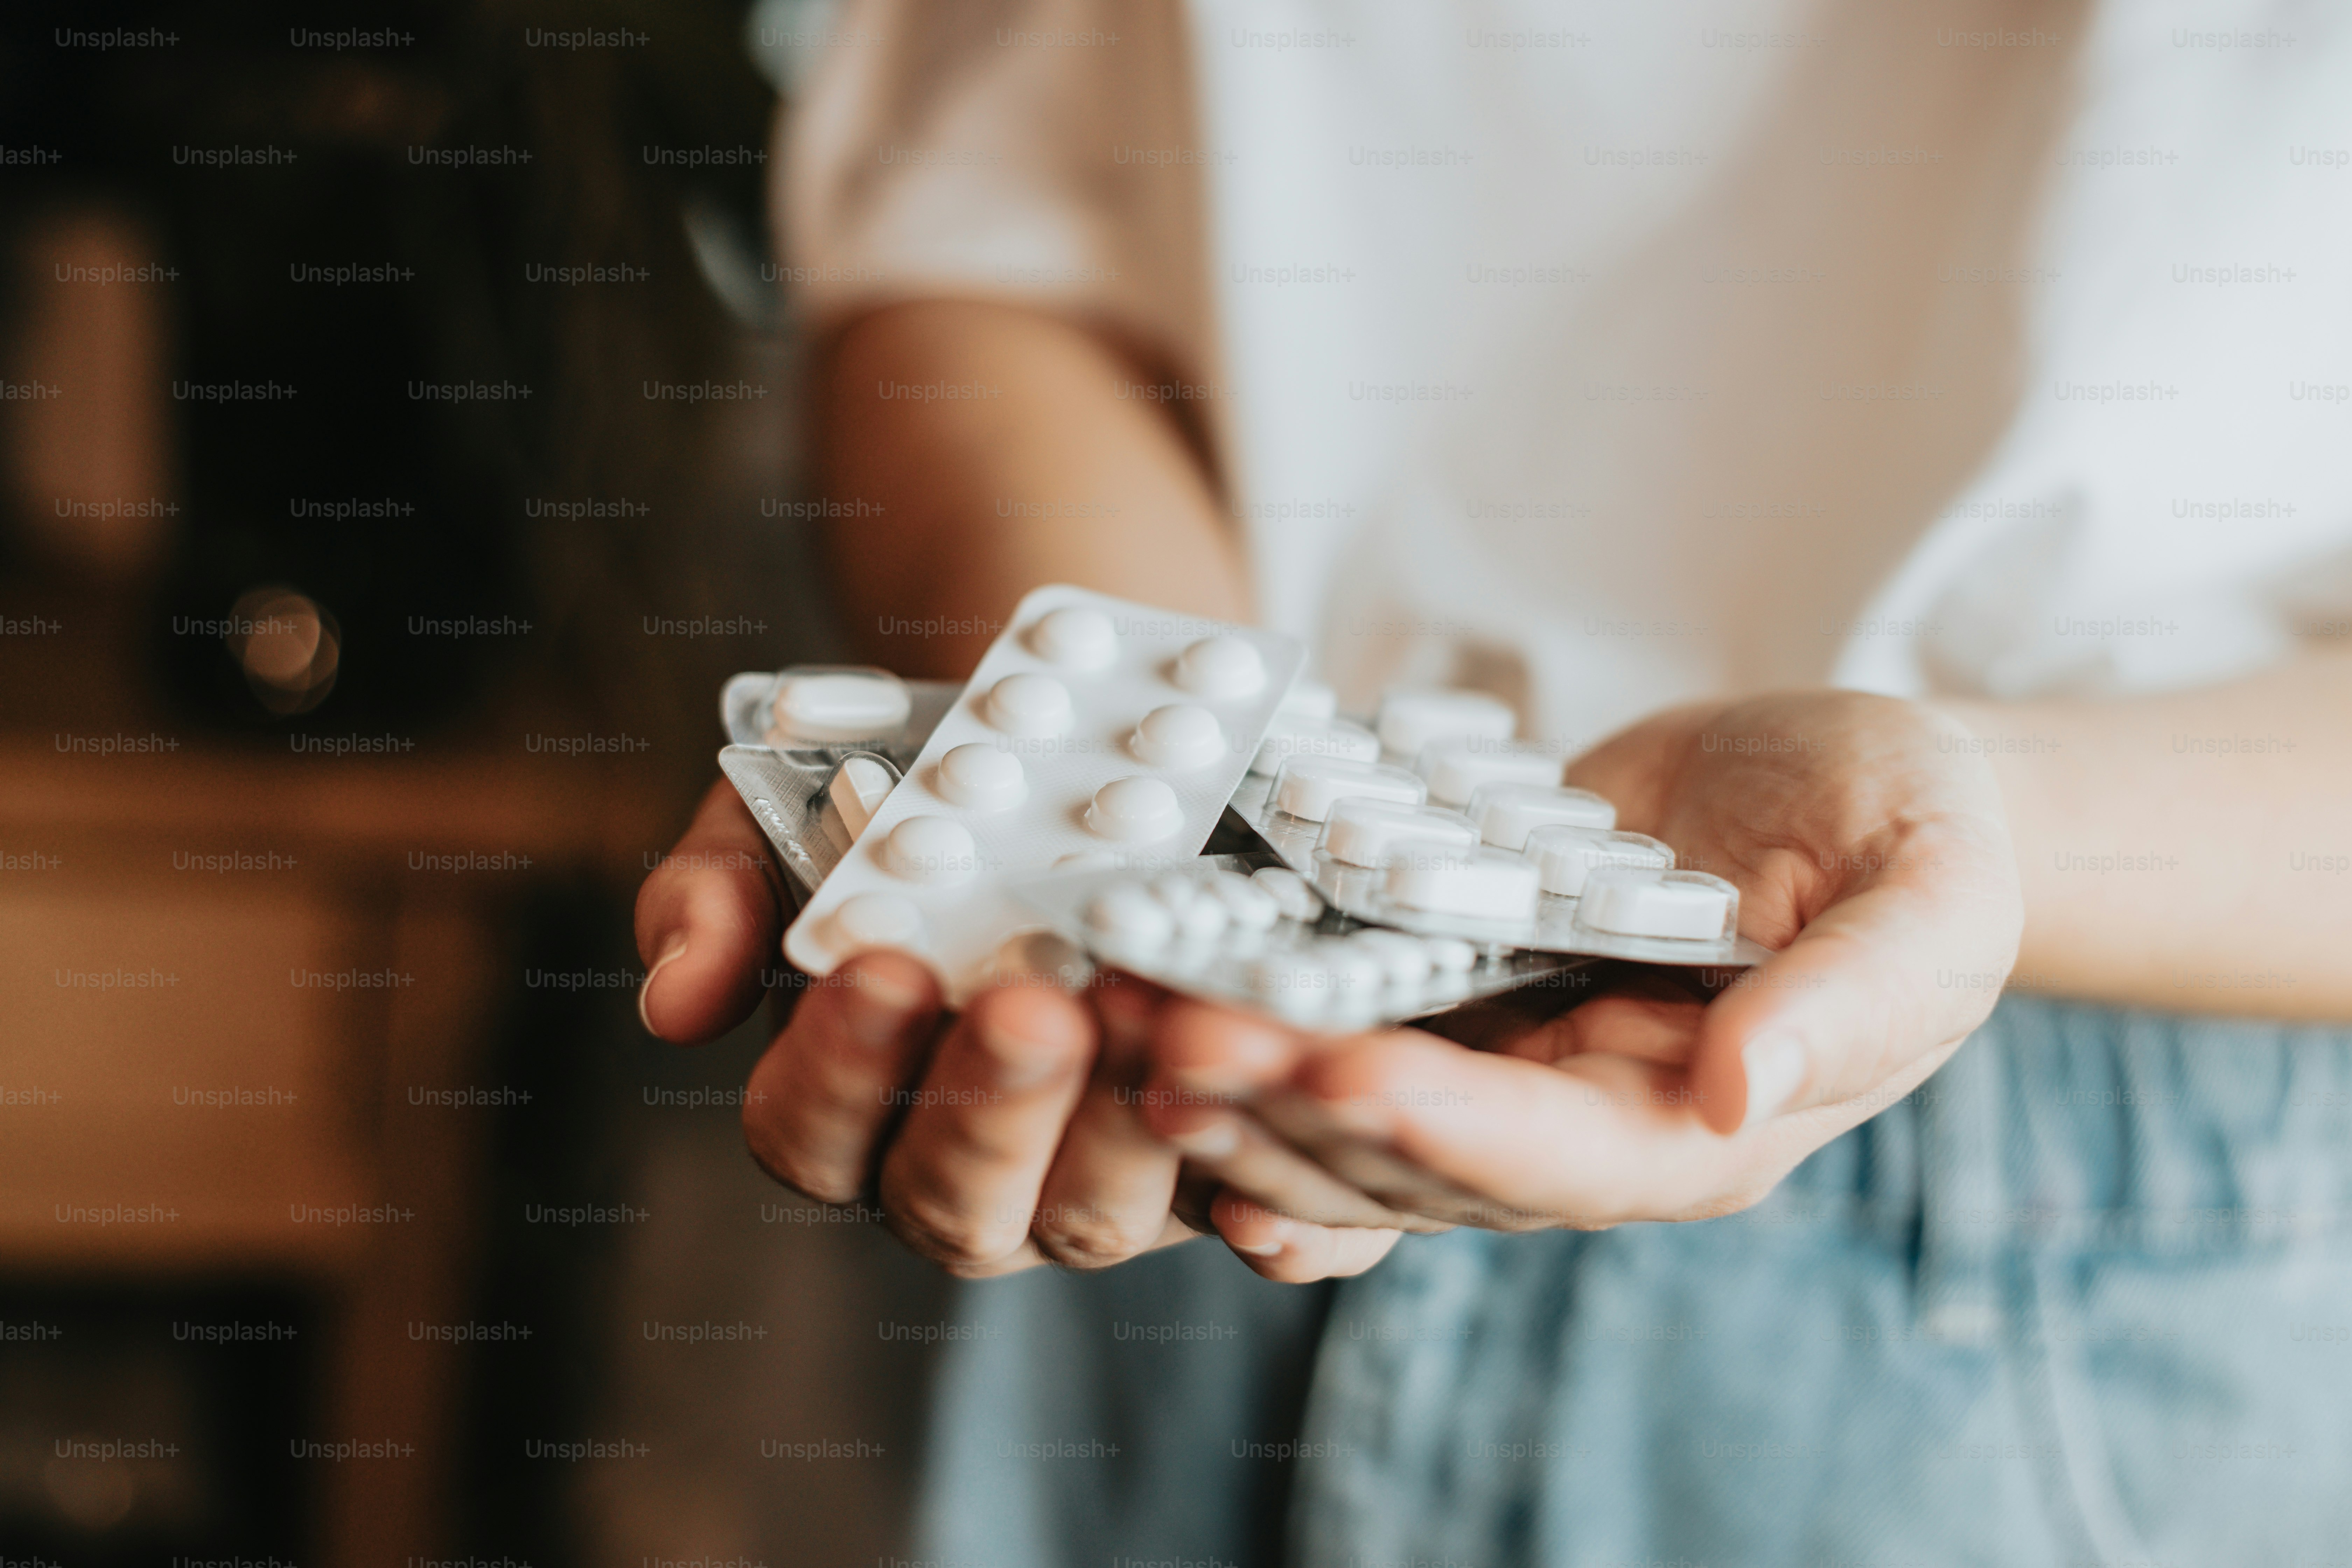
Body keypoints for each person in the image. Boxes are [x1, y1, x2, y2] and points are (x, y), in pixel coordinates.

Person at [637, 2, 2352, 1561]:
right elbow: (976, 243)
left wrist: (1971, 816)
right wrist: (1091, 752)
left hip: (2094, 1197)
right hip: (1132, 1062)